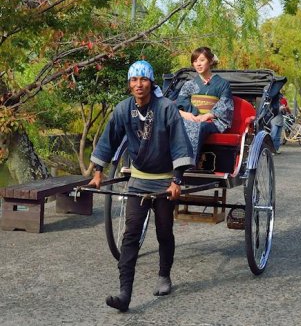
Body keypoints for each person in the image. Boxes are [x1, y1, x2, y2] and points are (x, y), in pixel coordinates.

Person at [88, 60, 194, 312]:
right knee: (131, 234)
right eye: (134, 80)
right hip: (138, 179)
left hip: (165, 180)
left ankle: (164, 275)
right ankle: (125, 293)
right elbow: (109, 139)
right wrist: (98, 170)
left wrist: (177, 180)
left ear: (151, 82)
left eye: (143, 80)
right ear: (129, 84)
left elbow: (180, 143)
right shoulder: (123, 109)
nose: (138, 85)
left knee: (164, 231)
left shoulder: (167, 108)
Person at [176, 47, 234, 165]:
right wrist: (185, 113)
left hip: (213, 121)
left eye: (202, 60)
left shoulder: (223, 84)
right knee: (174, 124)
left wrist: (207, 115)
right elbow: (180, 103)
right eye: (195, 61)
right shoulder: (189, 84)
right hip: (190, 117)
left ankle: (189, 163)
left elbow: (225, 105)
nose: (198, 64)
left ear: (211, 61)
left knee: (199, 126)